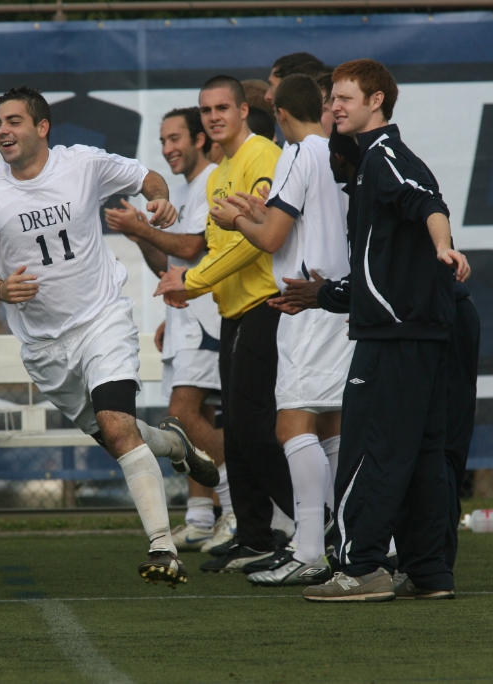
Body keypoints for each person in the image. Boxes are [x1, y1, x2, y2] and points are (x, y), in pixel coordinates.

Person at [0, 86, 218, 589]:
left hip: (101, 320)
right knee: (119, 438)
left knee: (118, 427)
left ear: (42, 127)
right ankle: (174, 444)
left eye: (14, 121)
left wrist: (159, 200)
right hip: (44, 346)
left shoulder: (82, 164)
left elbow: (147, 177)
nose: (4, 131)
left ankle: (162, 546)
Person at [287, 59, 470, 602]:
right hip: (419, 333)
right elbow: (381, 270)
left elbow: (428, 204)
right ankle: (430, 571)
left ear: (376, 103)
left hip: (396, 339)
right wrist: (321, 295)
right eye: (330, 100)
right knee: (421, 456)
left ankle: (362, 567)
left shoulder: (386, 157)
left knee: (370, 450)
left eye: (344, 98)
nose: (334, 107)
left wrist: (443, 244)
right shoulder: (367, 162)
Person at [213, 75, 353, 586]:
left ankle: (311, 548)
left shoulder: (296, 152)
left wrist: (237, 223)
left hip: (305, 304)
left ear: (279, 113)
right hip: (340, 299)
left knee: (291, 426)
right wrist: (256, 212)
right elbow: (297, 221)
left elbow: (272, 239)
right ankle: (348, 539)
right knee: (334, 426)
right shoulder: (341, 154)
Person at [155, 75, 291, 575]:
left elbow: (253, 241)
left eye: (221, 108)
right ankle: (254, 537)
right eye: (206, 109)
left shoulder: (263, 158)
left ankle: (310, 528)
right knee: (235, 434)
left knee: (256, 431)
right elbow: (217, 247)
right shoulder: (218, 173)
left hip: (265, 306)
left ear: (242, 112)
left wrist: (191, 281)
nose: (213, 117)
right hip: (232, 312)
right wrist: (187, 294)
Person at [104, 107, 230, 552]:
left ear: (200, 139)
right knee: (199, 419)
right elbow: (172, 264)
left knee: (183, 416)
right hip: (185, 322)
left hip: (208, 320)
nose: (167, 149)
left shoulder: (213, 179)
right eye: (162, 141)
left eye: (175, 138)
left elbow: (194, 246)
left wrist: (141, 226)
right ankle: (199, 518)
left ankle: (236, 511)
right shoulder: (186, 188)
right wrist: (140, 236)